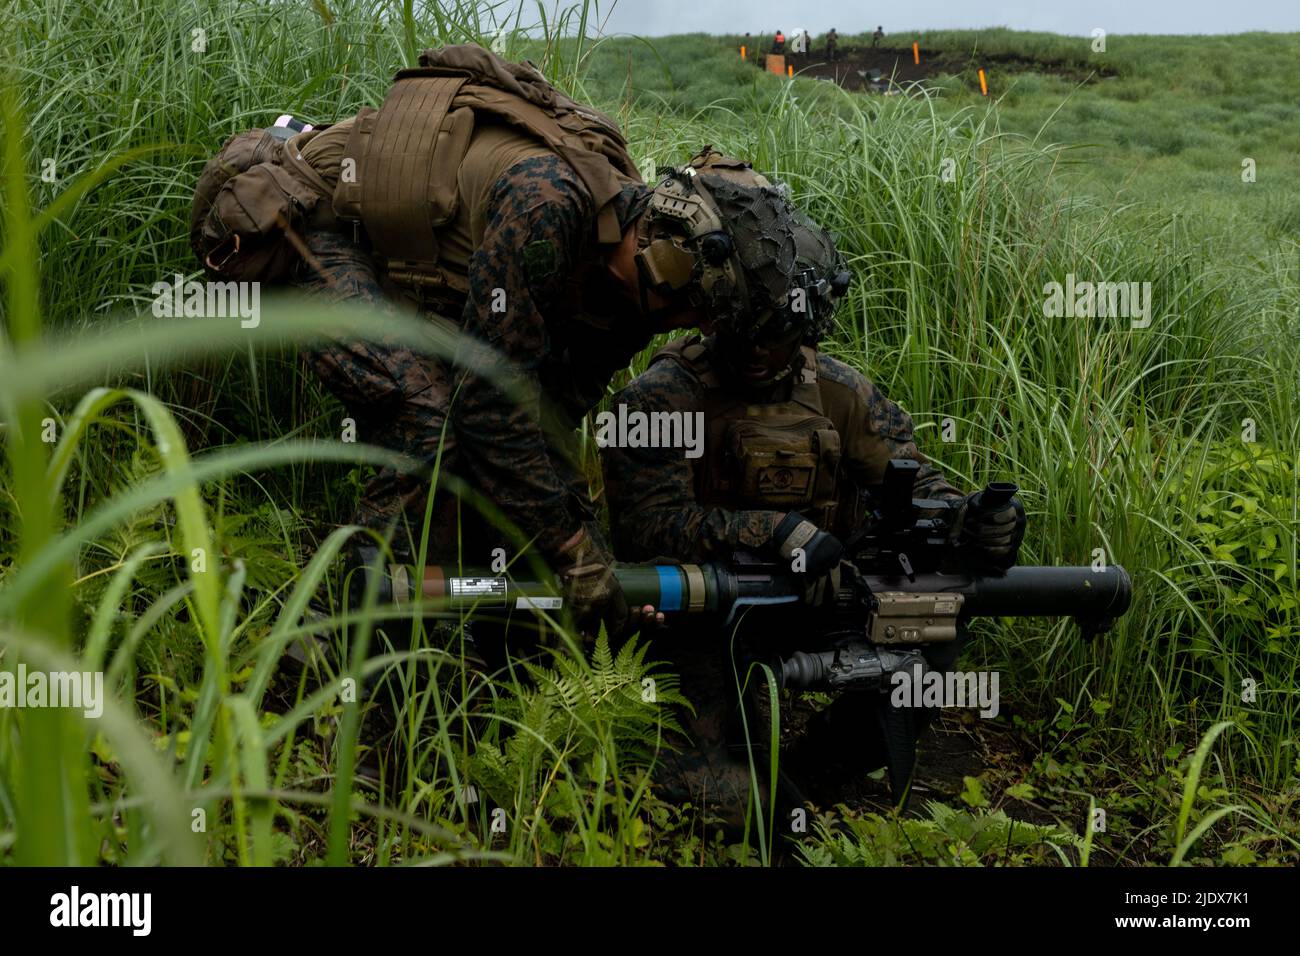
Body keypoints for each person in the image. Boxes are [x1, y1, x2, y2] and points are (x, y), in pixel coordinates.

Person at [289, 46, 833, 643]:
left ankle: (465, 628)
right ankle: (335, 629)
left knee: (522, 496)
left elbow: (544, 420)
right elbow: (487, 408)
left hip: (420, 274)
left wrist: (592, 558)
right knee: (430, 420)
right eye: (693, 308)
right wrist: (568, 547)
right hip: (311, 222)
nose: (689, 327)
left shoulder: (637, 297)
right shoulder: (546, 207)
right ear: (665, 253)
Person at [601, 158, 1025, 816]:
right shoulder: (659, 399)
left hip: (817, 603)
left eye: (783, 335)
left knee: (930, 636)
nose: (765, 352)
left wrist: (970, 521)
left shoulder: (838, 392)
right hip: (700, 618)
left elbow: (915, 487)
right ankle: (745, 780)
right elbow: (646, 529)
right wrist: (773, 533)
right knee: (723, 799)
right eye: (750, 330)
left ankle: (824, 769)